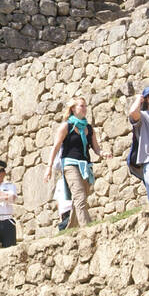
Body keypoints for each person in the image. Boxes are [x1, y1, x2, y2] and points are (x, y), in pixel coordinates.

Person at [45, 95, 103, 230]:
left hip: (85, 165)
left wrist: (102, 153)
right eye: (81, 106)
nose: (84, 109)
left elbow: (96, 148)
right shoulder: (66, 126)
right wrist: (49, 167)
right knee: (80, 196)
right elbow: (56, 147)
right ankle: (87, 228)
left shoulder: (89, 128)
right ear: (73, 109)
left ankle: (70, 228)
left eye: (85, 106)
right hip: (70, 164)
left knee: (81, 199)